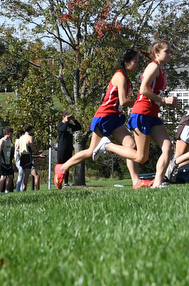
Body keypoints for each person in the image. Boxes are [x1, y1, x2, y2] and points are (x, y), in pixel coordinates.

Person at [53, 48, 145, 188]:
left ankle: (136, 182)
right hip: (105, 116)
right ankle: (62, 168)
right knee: (91, 151)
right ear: (126, 63)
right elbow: (122, 101)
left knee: (131, 145)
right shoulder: (119, 76)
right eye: (135, 61)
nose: (138, 64)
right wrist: (141, 101)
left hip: (115, 117)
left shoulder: (126, 78)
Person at [127, 42, 176, 188]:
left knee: (168, 147)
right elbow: (143, 90)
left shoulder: (160, 69)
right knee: (141, 157)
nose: (170, 54)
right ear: (156, 52)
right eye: (167, 51)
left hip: (153, 115)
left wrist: (166, 102)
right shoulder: (153, 66)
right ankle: (108, 145)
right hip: (142, 112)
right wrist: (163, 100)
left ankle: (158, 184)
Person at [14, 126, 36, 191]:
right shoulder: (30, 137)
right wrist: (36, 151)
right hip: (27, 155)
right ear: (30, 130)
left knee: (23, 174)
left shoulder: (21, 138)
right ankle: (24, 188)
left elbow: (17, 148)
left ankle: (23, 188)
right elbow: (32, 149)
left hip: (22, 156)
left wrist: (22, 150)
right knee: (26, 174)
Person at [0, 126, 16, 193]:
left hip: (8, 162)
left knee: (10, 176)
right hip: (2, 162)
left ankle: (7, 190)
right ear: (7, 133)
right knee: (3, 177)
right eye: (11, 133)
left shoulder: (10, 141)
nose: (12, 134)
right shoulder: (2, 141)